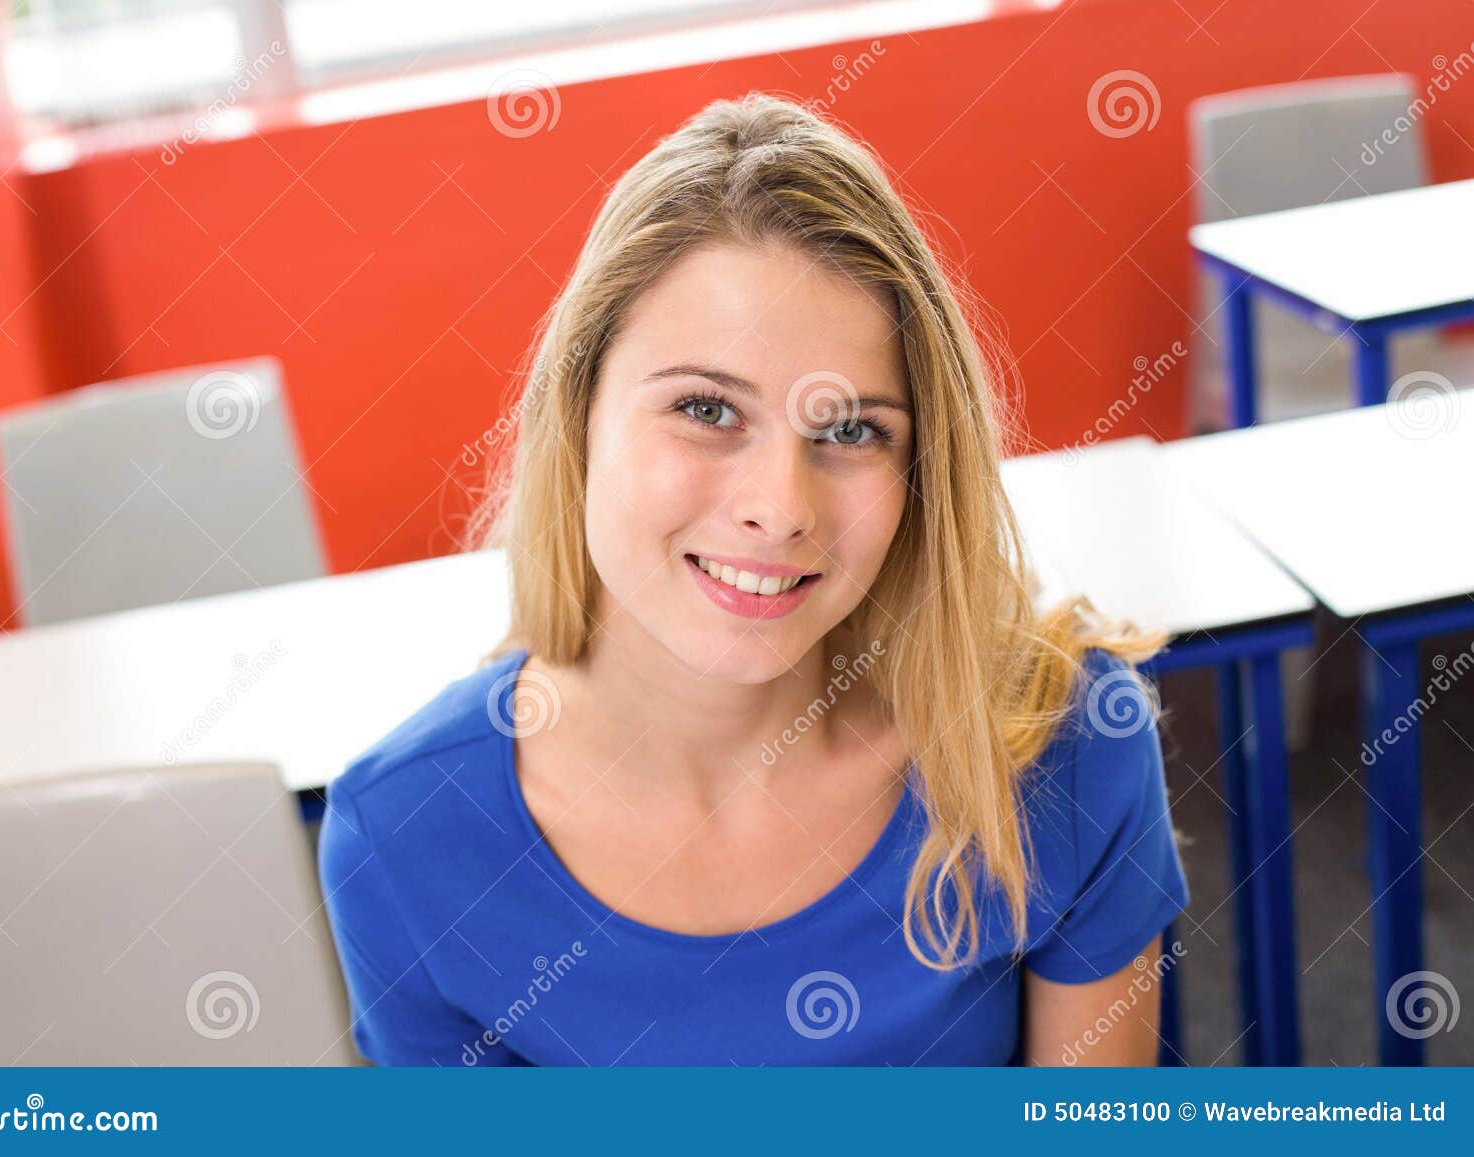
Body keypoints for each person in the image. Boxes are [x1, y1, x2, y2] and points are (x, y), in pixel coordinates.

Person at [319, 92, 1188, 1066]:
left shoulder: (1057, 740)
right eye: (705, 407)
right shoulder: (404, 841)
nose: (781, 505)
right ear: (578, 417)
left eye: (853, 429)